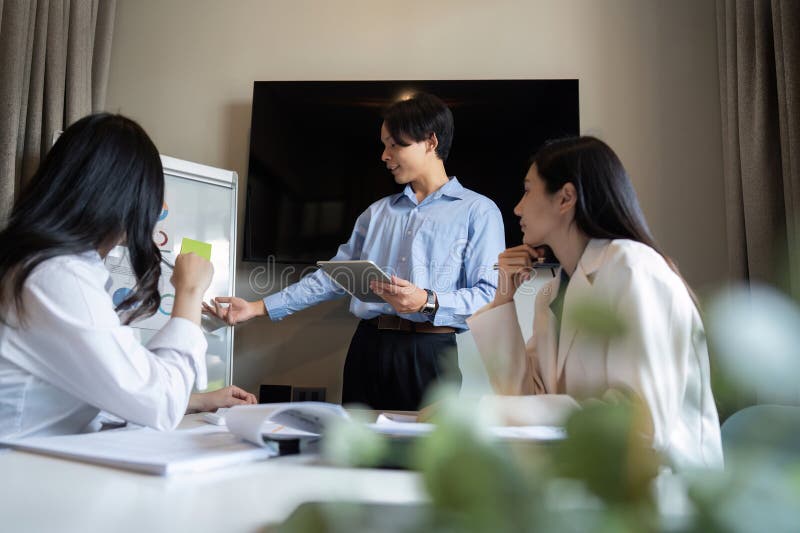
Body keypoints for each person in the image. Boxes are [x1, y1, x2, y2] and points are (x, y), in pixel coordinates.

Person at [205, 93, 505, 410]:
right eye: (384, 145)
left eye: (395, 145)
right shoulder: (376, 213)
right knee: (354, 439)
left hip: (430, 352)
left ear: (431, 142)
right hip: (367, 347)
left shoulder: (478, 211)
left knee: (427, 443)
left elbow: (489, 296)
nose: (384, 156)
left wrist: (427, 301)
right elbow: (334, 278)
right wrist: (257, 307)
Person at [467, 136, 723, 470]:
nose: (517, 208)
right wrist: (504, 298)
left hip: (663, 484)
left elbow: (638, 422)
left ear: (566, 198)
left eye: (527, 190)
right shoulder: (553, 293)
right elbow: (525, 405)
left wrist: (486, 410)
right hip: (590, 477)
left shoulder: (634, 269)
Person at [0, 113, 255, 440]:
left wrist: (197, 401)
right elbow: (159, 404)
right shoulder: (56, 276)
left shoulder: (40, 265)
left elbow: (97, 388)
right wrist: (190, 291)